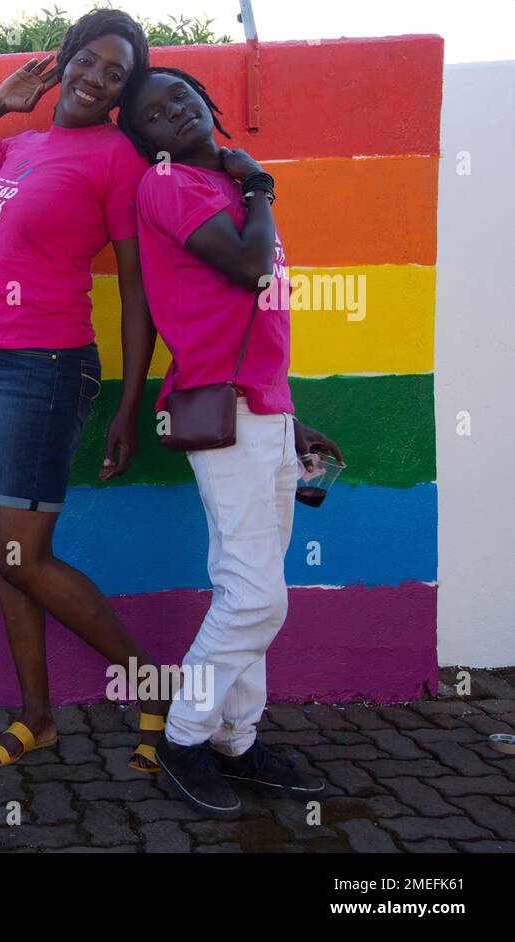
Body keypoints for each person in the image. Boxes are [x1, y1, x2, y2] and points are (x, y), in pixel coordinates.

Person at [0, 8, 170, 772]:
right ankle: (36, 718)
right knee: (9, 556)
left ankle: (155, 689)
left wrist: (130, 401)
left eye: (114, 73)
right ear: (64, 59)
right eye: (88, 61)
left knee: (25, 556)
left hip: (47, 367)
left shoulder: (118, 158)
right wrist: (1, 101)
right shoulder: (22, 146)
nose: (95, 79)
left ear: (124, 91)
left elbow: (135, 286)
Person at [117, 67, 344, 818]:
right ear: (144, 138)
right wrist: (259, 188)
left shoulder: (229, 187)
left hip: (265, 410)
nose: (173, 112)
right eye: (154, 113)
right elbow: (249, 268)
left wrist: (290, 412)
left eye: (181, 95)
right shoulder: (173, 184)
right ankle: (184, 737)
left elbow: (257, 319)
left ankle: (237, 740)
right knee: (256, 594)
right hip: (226, 413)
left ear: (208, 103)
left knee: (245, 583)